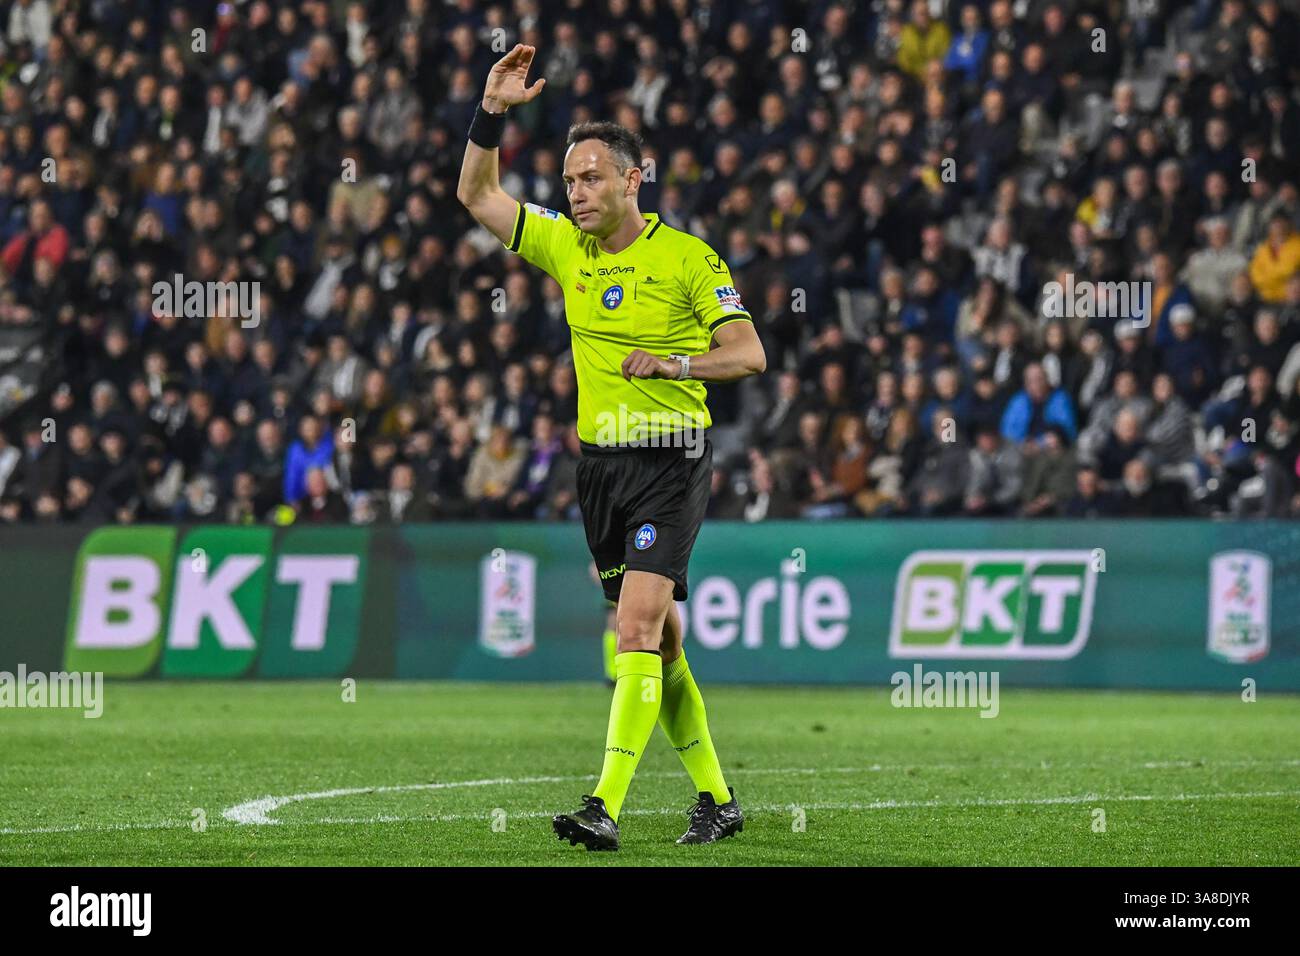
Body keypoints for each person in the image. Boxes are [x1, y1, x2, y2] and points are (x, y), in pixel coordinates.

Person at [457, 45, 766, 850]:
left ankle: (604, 805)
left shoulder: (690, 259)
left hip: (671, 457)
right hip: (600, 470)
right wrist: (491, 110)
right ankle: (718, 799)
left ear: (636, 179)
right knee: (659, 642)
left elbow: (748, 353)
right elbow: (477, 192)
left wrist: (675, 362)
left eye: (592, 177)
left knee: (632, 629)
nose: (576, 192)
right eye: (568, 180)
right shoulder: (566, 248)